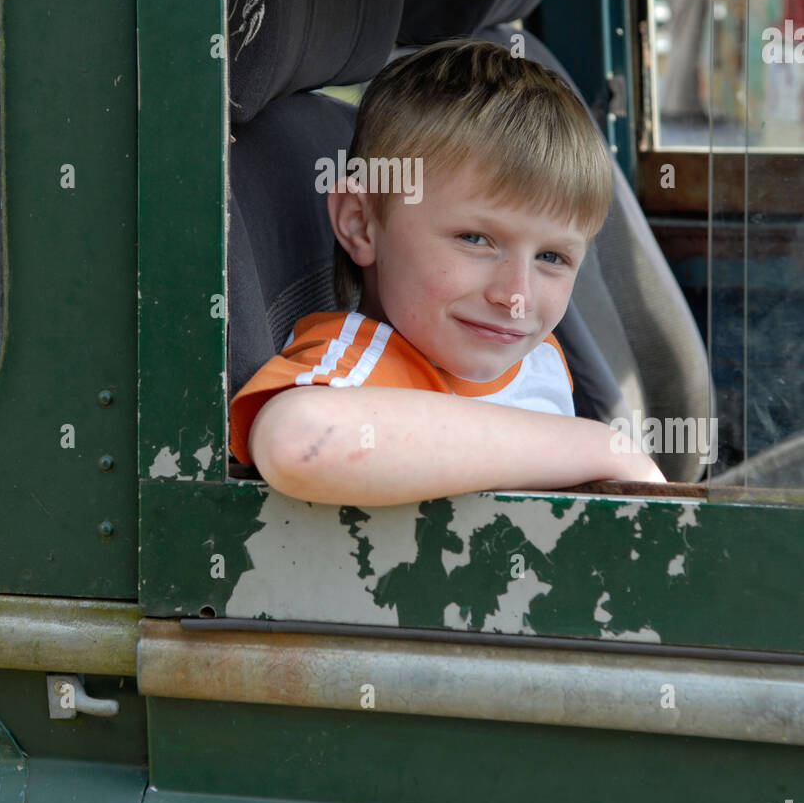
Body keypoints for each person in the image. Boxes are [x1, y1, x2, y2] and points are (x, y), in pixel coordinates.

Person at [229, 41, 666, 504]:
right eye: (475, 240)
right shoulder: (359, 369)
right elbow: (298, 442)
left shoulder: (536, 360)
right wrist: (600, 445)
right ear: (360, 224)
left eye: (552, 258)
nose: (515, 296)